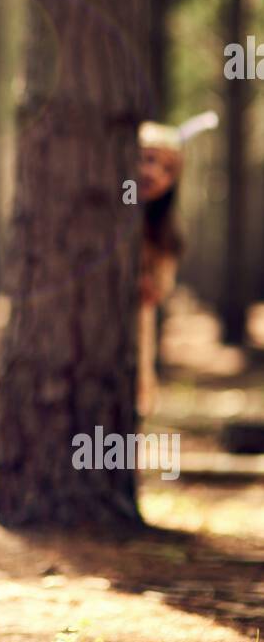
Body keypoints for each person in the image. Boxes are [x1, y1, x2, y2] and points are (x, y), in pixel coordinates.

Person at [136, 112, 218, 417]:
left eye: (167, 169)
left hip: (136, 328)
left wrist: (148, 283)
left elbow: (160, 288)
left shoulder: (165, 231)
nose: (154, 173)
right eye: (147, 159)